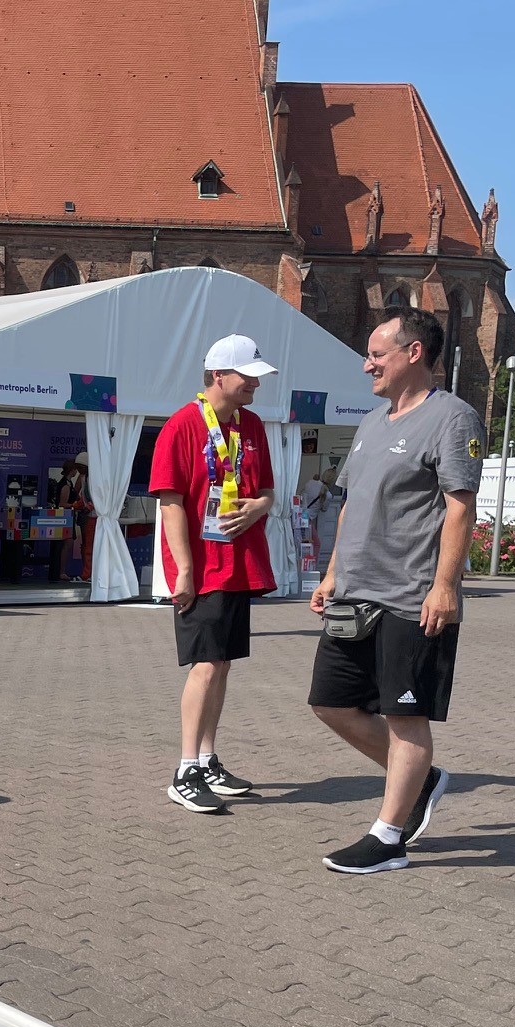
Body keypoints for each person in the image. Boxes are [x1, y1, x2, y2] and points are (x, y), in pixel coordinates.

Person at [308, 308, 481, 875]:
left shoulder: (453, 419)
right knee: (330, 703)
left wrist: (445, 587)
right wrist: (333, 574)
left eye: (377, 354)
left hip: (412, 595)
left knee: (406, 718)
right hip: (354, 591)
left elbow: (460, 507)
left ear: (413, 353)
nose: (367, 365)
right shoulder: (370, 424)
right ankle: (421, 780)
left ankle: (388, 837)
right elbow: (354, 504)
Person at [149, 333, 278, 813]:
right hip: (202, 569)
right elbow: (170, 502)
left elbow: (267, 490)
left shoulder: (252, 425)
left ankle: (206, 759)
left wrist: (258, 508)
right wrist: (183, 570)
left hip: (238, 564)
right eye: (247, 377)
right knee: (204, 665)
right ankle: (184, 769)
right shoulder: (181, 426)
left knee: (221, 664)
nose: (254, 386)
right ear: (218, 376)